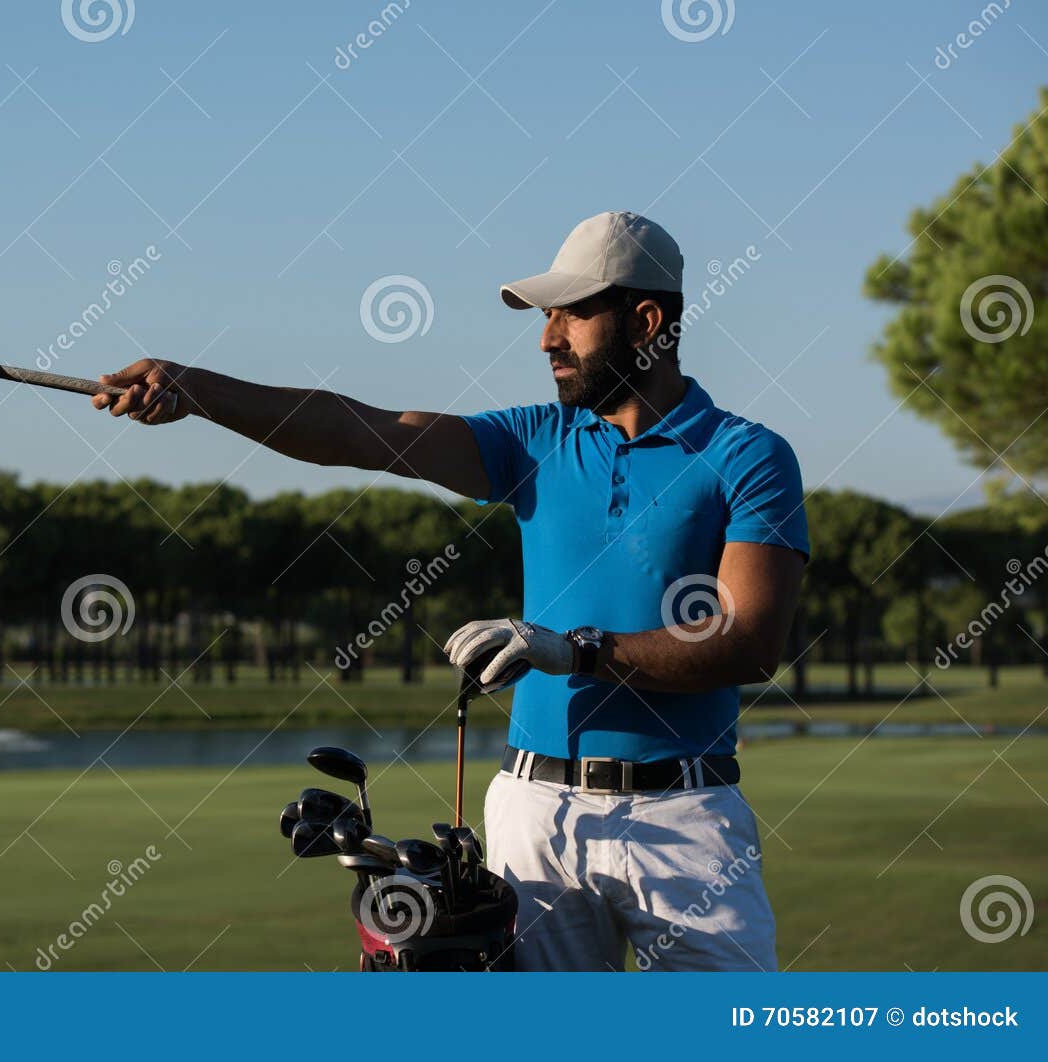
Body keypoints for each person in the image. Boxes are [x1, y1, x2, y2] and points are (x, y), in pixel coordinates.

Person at [92, 210, 809, 971]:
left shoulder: (748, 456)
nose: (547, 338)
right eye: (545, 316)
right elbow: (358, 431)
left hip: (685, 819)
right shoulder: (537, 439)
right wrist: (198, 390)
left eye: (571, 314)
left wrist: (577, 652)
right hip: (536, 816)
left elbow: (750, 640)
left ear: (646, 319)